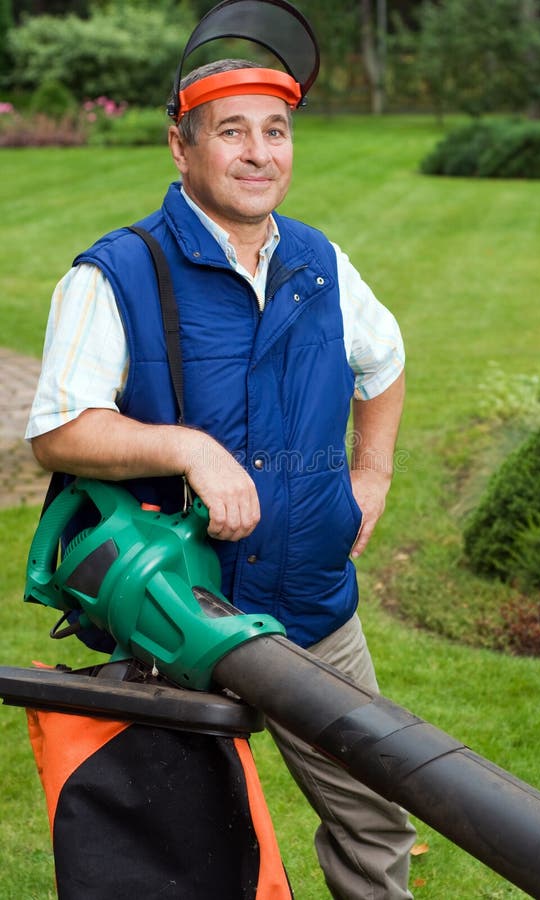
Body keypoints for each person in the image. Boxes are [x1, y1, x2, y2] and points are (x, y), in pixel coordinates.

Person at [27, 57, 416, 899]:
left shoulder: (320, 262)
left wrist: (373, 473)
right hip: (178, 623)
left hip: (315, 610)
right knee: (177, 851)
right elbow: (58, 428)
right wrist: (190, 450)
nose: (258, 153)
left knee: (375, 820)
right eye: (231, 131)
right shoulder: (115, 274)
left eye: (274, 132)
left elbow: (383, 365)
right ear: (181, 147)